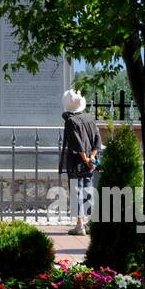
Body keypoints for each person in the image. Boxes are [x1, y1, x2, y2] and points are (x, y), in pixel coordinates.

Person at [60, 89, 102, 235]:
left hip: (76, 162)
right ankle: (89, 223)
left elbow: (76, 143)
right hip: (90, 162)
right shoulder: (89, 118)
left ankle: (80, 225)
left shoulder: (71, 121)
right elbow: (97, 139)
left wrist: (85, 158)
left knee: (77, 191)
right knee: (88, 190)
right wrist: (92, 157)